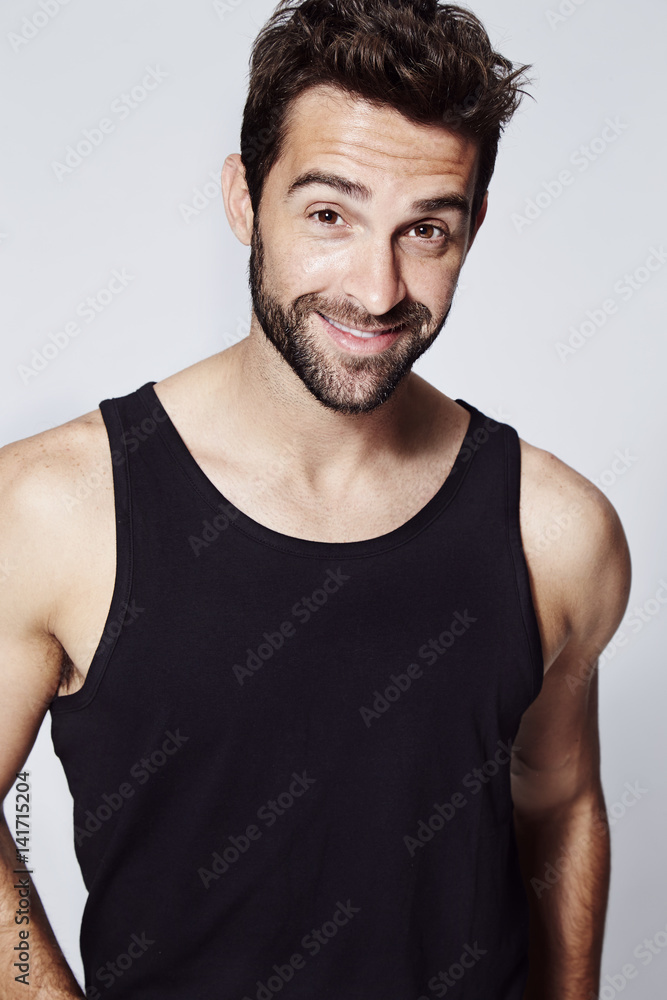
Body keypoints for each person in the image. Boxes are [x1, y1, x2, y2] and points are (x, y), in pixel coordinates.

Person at [0, 0, 631, 997]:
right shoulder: (52, 506)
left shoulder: (556, 529)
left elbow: (558, 801)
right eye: (329, 214)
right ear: (244, 199)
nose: (378, 290)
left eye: (425, 228)